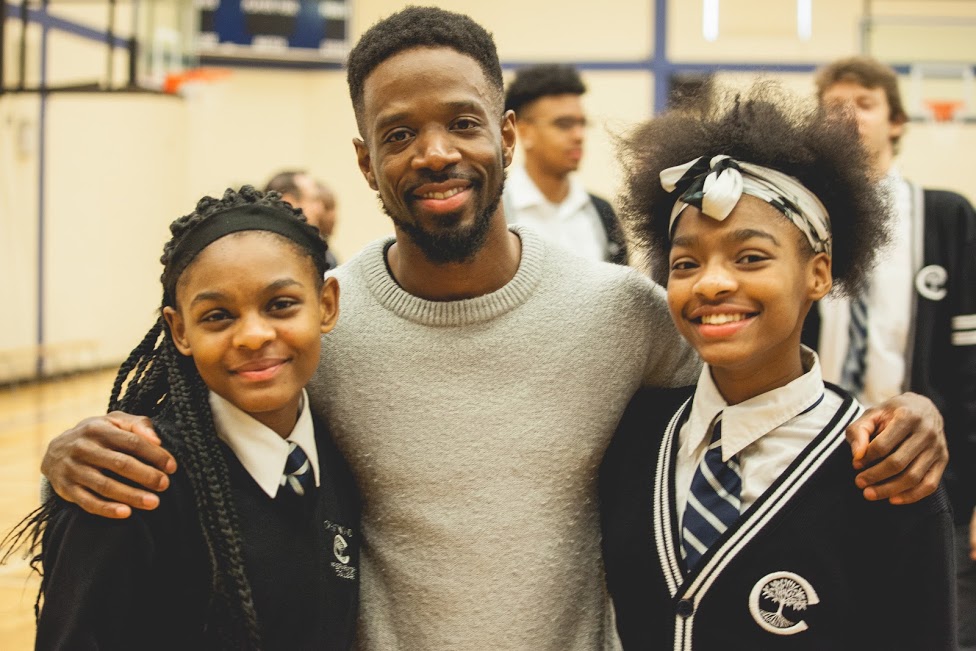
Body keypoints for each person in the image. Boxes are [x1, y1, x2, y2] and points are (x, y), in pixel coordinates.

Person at [38, 8, 949, 650]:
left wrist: (909, 413)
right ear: (364, 158)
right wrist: (76, 449)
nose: (434, 151)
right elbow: (197, 416)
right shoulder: (320, 325)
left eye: (463, 122)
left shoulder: (623, 313)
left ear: (505, 136)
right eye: (398, 134)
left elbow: (759, 382)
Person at [600, 84, 956, 649]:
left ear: (818, 273)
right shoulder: (634, 434)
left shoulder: (884, 469)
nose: (713, 282)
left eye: (751, 257)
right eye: (686, 262)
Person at [5, 187, 360, 650]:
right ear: (180, 331)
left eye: (280, 305)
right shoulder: (130, 484)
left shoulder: (339, 460)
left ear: (327, 304)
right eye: (217, 316)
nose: (253, 335)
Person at [809, 55, 976, 648]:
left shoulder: (946, 216)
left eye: (864, 103)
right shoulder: (801, 219)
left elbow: (969, 370)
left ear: (898, 122)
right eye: (833, 107)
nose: (847, 117)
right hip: (815, 461)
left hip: (929, 468)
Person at [503, 63, 628, 264]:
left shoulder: (601, 212)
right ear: (524, 132)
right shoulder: (495, 211)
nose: (579, 135)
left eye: (581, 124)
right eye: (564, 124)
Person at [265, 170, 339, 269]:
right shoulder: (265, 254)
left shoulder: (324, 256)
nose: (320, 209)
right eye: (313, 200)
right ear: (289, 202)